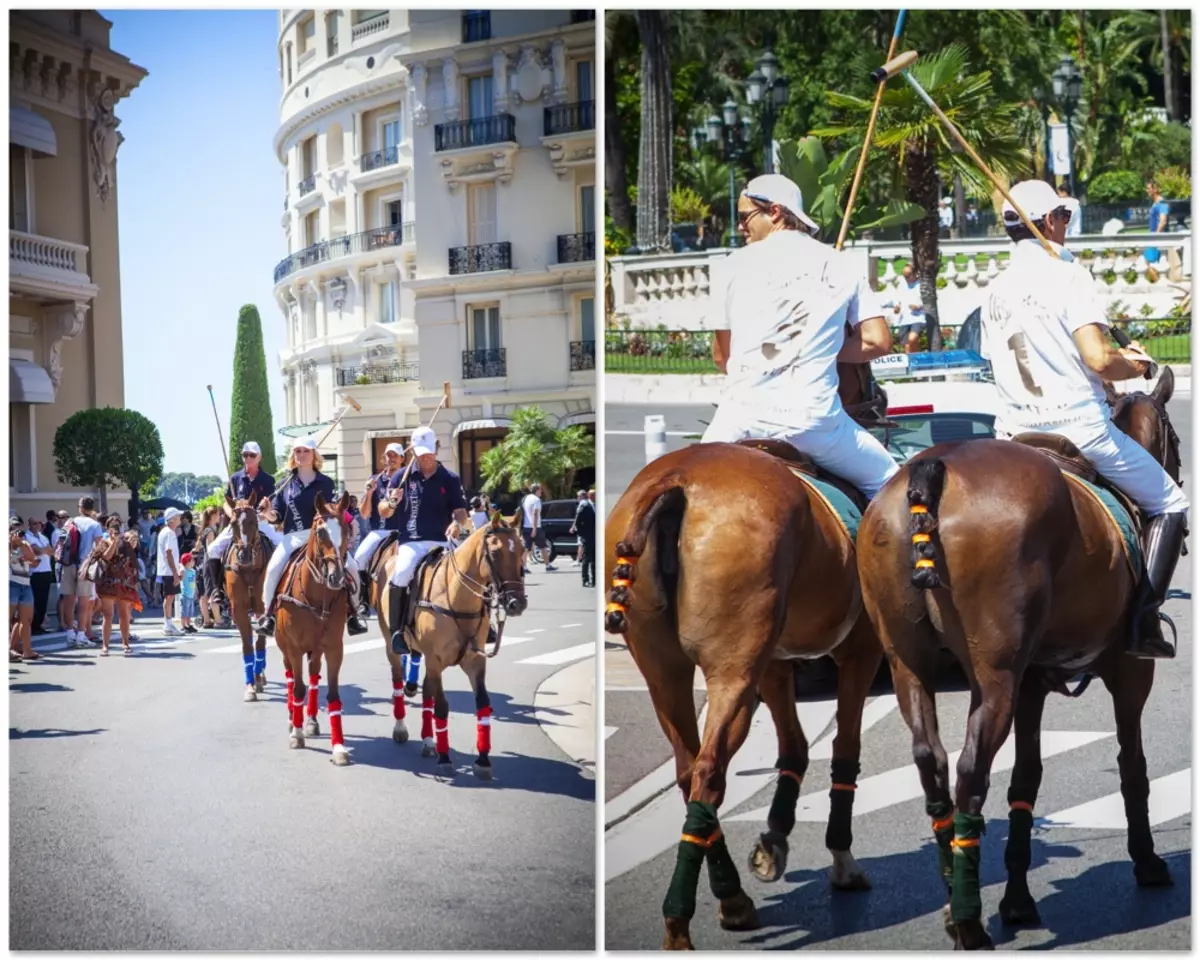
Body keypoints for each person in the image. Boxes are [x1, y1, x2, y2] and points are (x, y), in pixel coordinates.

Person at [981, 178, 1188, 659]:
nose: (1067, 226)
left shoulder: (994, 287)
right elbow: (1097, 359)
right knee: (1172, 503)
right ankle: (1142, 621)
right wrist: (1133, 365)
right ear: (1048, 222)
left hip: (1013, 434)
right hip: (1077, 428)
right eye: (1065, 217)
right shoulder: (1068, 273)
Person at [701, 173, 900, 499]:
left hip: (738, 421)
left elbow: (723, 358)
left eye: (743, 218)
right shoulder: (842, 263)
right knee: (891, 483)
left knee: (676, 480)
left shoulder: (728, 266)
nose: (739, 228)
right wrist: (819, 348)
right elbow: (877, 340)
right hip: (812, 425)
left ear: (775, 212)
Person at [256, 437, 366, 636]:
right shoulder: (285, 484)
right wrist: (268, 513)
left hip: (323, 537)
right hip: (294, 537)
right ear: (293, 456)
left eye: (305, 451)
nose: (301, 455)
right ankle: (268, 614)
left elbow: (334, 510)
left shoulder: (325, 482)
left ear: (314, 455)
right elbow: (277, 517)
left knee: (352, 567)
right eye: (297, 451)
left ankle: (354, 613)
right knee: (272, 569)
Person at [384, 426, 469, 655]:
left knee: (470, 568)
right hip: (412, 541)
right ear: (412, 452)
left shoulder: (449, 478)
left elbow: (460, 511)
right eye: (421, 453)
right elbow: (384, 512)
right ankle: (397, 631)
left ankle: (481, 624)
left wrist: (457, 523)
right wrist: (392, 502)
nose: (426, 457)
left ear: (436, 449)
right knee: (401, 574)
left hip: (442, 541)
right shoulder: (400, 477)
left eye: (429, 452)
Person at [206, 441, 279, 607]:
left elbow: (271, 504)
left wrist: (261, 514)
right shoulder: (235, 478)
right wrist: (231, 513)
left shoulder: (267, 480)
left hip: (259, 523)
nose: (248, 458)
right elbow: (225, 502)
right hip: (238, 524)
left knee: (281, 545)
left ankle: (279, 589)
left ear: (259, 457)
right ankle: (218, 590)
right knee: (213, 549)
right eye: (245, 455)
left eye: (252, 455)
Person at [352, 442, 405, 608]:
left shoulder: (407, 479)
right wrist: (368, 494)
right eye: (389, 455)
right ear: (384, 459)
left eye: (395, 455)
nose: (391, 459)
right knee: (359, 558)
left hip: (401, 531)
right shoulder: (374, 480)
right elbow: (364, 514)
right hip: (379, 531)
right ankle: (363, 600)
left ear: (402, 459)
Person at [95, 515, 141, 656]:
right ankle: (105, 646)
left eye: (118, 526)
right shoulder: (104, 542)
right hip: (107, 583)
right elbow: (106, 557)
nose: (116, 529)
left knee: (124, 614)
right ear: (108, 529)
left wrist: (135, 581)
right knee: (108, 615)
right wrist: (113, 542)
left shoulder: (125, 544)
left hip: (123, 583)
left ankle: (125, 643)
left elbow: (132, 564)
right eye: (113, 527)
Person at [63, 497, 105, 648]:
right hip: (85, 566)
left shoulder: (70, 522)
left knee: (68, 601)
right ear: (92, 508)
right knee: (83, 602)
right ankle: (81, 634)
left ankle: (69, 633)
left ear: (80, 507)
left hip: (67, 564)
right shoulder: (94, 524)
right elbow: (100, 546)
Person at [10, 517, 39, 662]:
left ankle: (27, 651)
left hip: (25, 584)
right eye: (12, 529)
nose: (16, 533)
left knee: (26, 620)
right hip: (10, 584)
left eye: (18, 529)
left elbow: (33, 562)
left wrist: (22, 544)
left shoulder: (24, 544)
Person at [885, 264, 926, 354]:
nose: (906, 278)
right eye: (904, 275)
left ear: (915, 273)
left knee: (912, 338)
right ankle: (911, 363)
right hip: (904, 319)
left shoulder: (921, 284)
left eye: (908, 275)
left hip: (918, 318)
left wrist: (918, 306)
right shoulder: (902, 285)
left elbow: (928, 301)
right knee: (907, 346)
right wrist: (897, 307)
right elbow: (897, 299)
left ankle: (916, 359)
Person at [24, 517, 54, 635]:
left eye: (39, 524)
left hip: (46, 571)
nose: (37, 526)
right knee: (35, 601)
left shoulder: (43, 536)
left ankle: (39, 625)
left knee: (43, 601)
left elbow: (51, 550)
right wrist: (43, 550)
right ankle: (33, 626)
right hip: (35, 572)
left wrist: (43, 550)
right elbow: (36, 551)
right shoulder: (27, 537)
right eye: (34, 524)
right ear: (30, 525)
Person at [157, 507, 184, 636]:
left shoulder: (165, 532)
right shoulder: (169, 533)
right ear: (172, 519)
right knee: (169, 598)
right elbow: (169, 553)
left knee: (169, 597)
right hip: (168, 571)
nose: (180, 519)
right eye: (178, 517)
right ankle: (168, 625)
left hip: (166, 570)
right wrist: (175, 573)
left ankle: (168, 624)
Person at [520, 483, 556, 571]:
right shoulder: (536, 500)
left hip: (526, 526)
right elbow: (535, 514)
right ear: (537, 490)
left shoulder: (525, 498)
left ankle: (524, 567)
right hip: (536, 526)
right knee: (543, 546)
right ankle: (548, 565)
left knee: (525, 547)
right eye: (540, 490)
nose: (541, 492)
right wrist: (535, 528)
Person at [571, 488, 596, 588]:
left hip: (594, 536)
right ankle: (585, 579)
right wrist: (580, 533)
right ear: (589, 496)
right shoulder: (585, 505)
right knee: (586, 558)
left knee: (594, 559)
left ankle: (594, 579)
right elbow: (578, 520)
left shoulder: (593, 505)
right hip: (587, 536)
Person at [179, 552, 198, 634]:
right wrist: (182, 567)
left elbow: (193, 581)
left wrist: (196, 590)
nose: (193, 562)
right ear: (187, 562)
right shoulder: (184, 571)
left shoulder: (193, 571)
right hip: (185, 594)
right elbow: (180, 572)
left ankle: (188, 624)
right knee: (184, 611)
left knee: (190, 612)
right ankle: (183, 626)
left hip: (191, 594)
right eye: (192, 560)